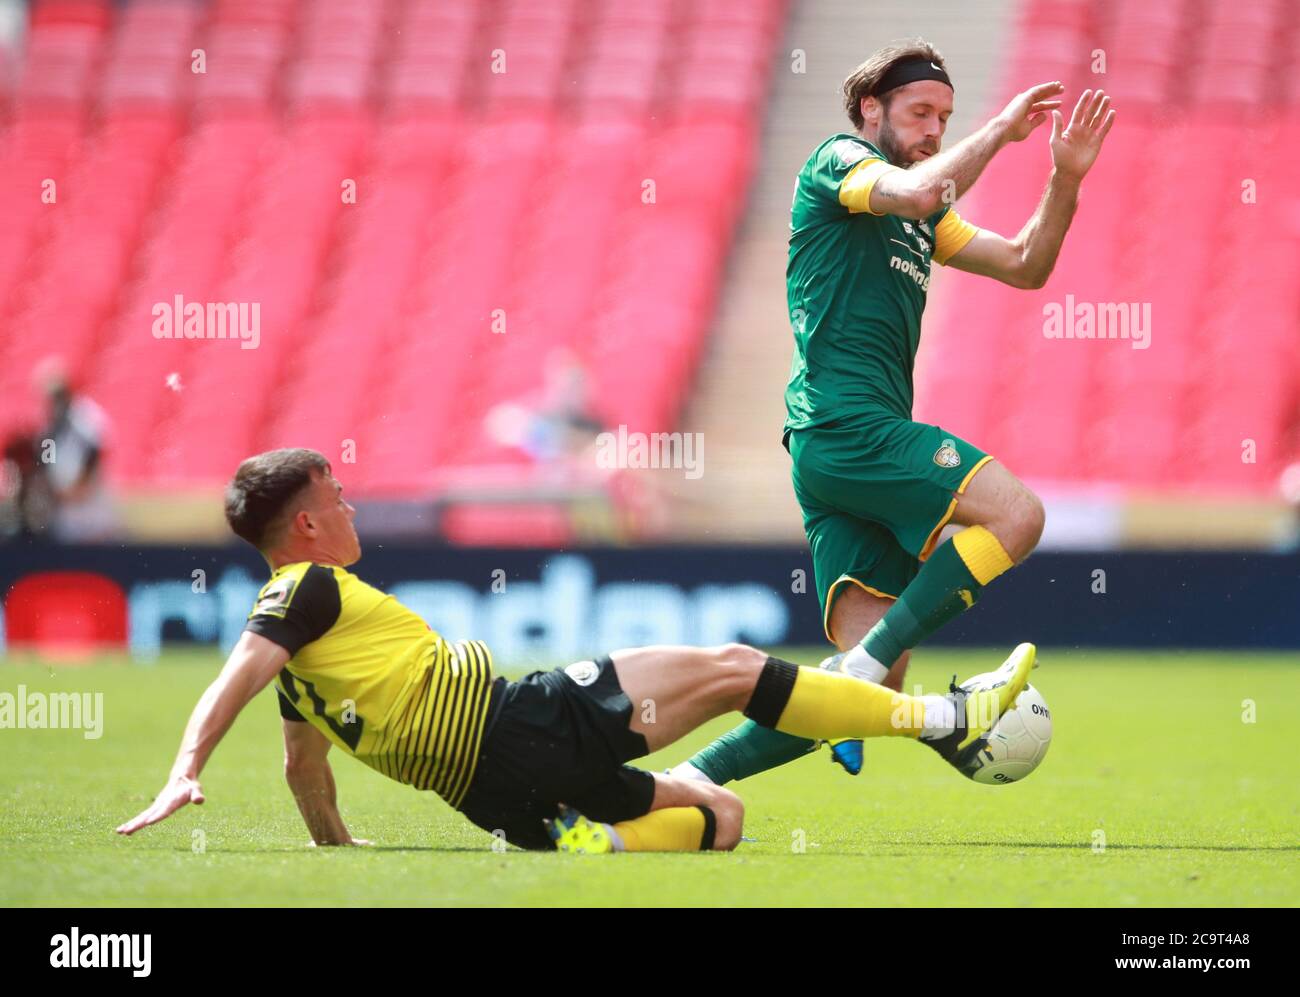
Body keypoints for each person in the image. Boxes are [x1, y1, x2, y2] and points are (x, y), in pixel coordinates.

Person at [115, 448, 1038, 853]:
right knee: (733, 669)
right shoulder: (301, 589)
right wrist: (184, 766)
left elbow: (301, 769)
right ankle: (949, 719)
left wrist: (339, 849)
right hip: (522, 723)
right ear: (307, 523)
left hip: (494, 801)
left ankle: (582, 842)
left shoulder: (309, 672)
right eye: (341, 497)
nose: (353, 508)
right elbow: (238, 673)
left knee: (723, 816)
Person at [674, 39, 1111, 785]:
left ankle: (687, 779)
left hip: (834, 446)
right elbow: (915, 193)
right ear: (872, 110)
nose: (935, 129)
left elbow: (1025, 265)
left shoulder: (922, 219)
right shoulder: (839, 162)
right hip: (847, 425)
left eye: (944, 115)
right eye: (920, 113)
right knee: (1017, 516)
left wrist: (1064, 178)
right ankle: (872, 658)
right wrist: (1003, 131)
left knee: (856, 696)